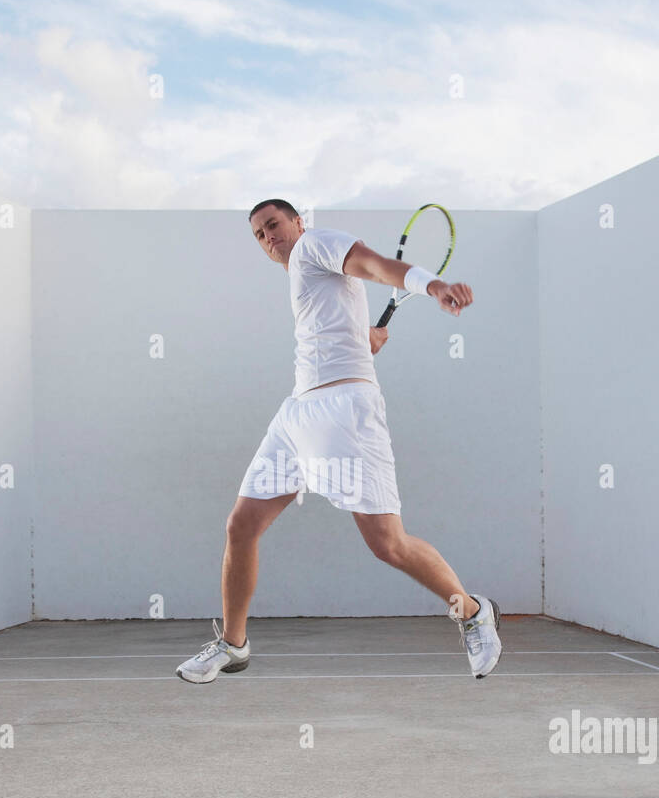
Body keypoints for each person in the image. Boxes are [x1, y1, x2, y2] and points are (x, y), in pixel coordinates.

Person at [177, 199, 501, 683]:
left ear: (297, 222)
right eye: (259, 235)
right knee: (241, 525)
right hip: (297, 413)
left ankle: (473, 613)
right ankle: (234, 644)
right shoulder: (305, 274)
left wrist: (431, 285)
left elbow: (374, 265)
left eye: (273, 225)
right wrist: (362, 341)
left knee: (388, 545)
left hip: (346, 413)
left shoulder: (315, 242)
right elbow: (331, 330)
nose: (269, 237)